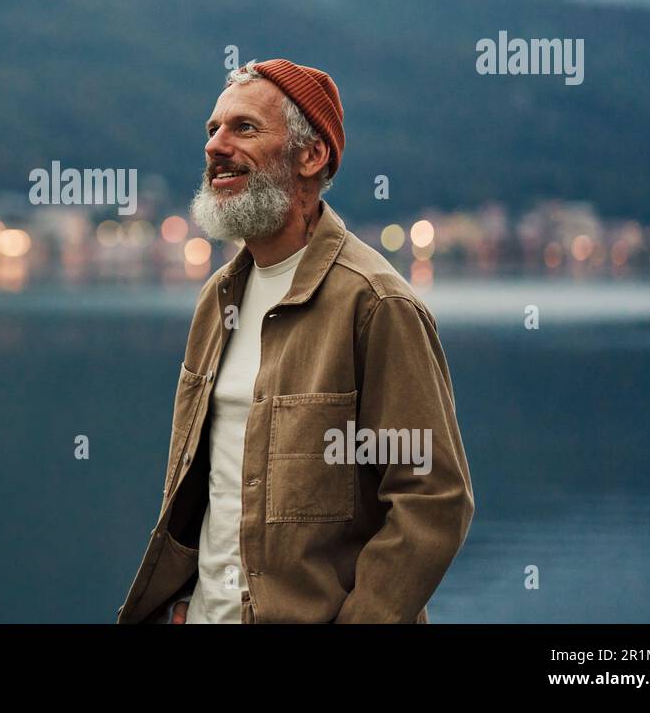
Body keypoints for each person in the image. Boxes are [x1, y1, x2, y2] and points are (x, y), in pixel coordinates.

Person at [116, 58, 475, 624]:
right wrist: (186, 597)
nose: (215, 145)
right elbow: (217, 481)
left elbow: (432, 500)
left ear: (312, 156)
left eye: (244, 128)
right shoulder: (218, 299)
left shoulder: (376, 304)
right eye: (213, 129)